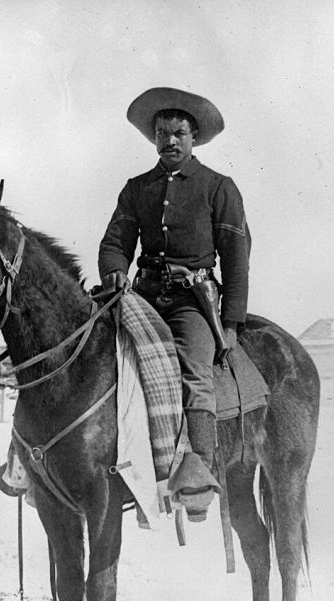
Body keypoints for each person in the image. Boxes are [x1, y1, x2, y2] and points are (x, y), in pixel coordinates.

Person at [98, 87, 251, 520]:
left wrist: (232, 322)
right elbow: (115, 242)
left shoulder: (218, 188)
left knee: (194, 373)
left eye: (178, 133)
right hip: (143, 297)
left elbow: (237, 257)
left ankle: (198, 473)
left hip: (191, 303)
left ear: (194, 136)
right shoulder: (136, 189)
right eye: (162, 133)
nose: (169, 141)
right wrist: (114, 269)